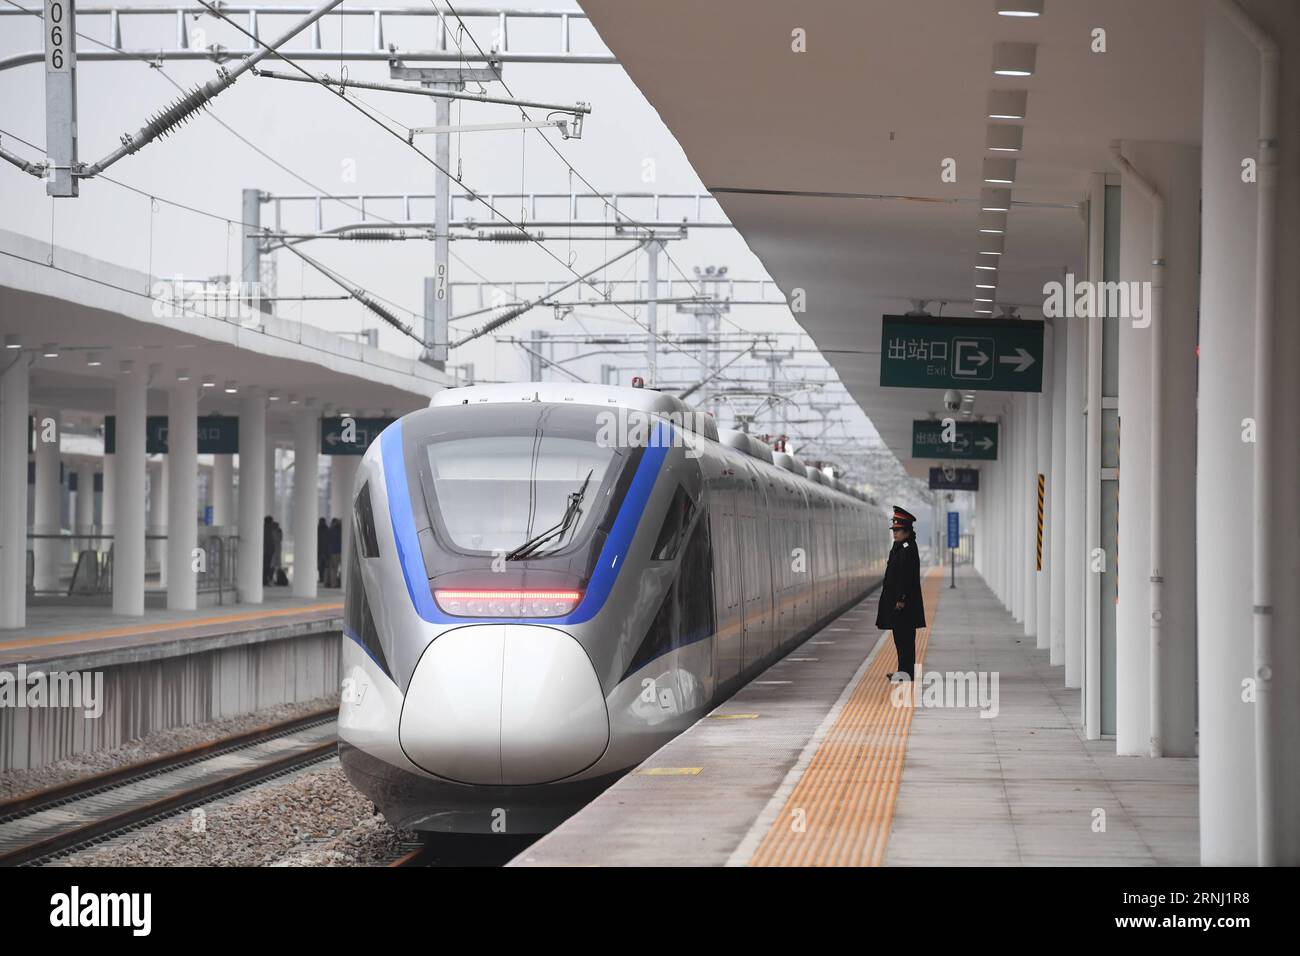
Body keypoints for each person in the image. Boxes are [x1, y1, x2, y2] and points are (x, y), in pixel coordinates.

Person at [876, 505, 926, 681]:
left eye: (898, 530)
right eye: (894, 530)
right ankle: (903, 671)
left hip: (903, 604)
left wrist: (901, 599)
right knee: (900, 638)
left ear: (907, 531)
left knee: (904, 639)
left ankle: (906, 673)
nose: (895, 533)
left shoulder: (907, 549)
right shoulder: (900, 546)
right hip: (899, 603)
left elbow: (906, 577)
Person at [317, 517, 329, 584]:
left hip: (321, 551)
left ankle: (322, 579)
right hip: (324, 551)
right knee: (323, 567)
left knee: (321, 567)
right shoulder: (327, 529)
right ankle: (323, 579)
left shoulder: (318, 529)